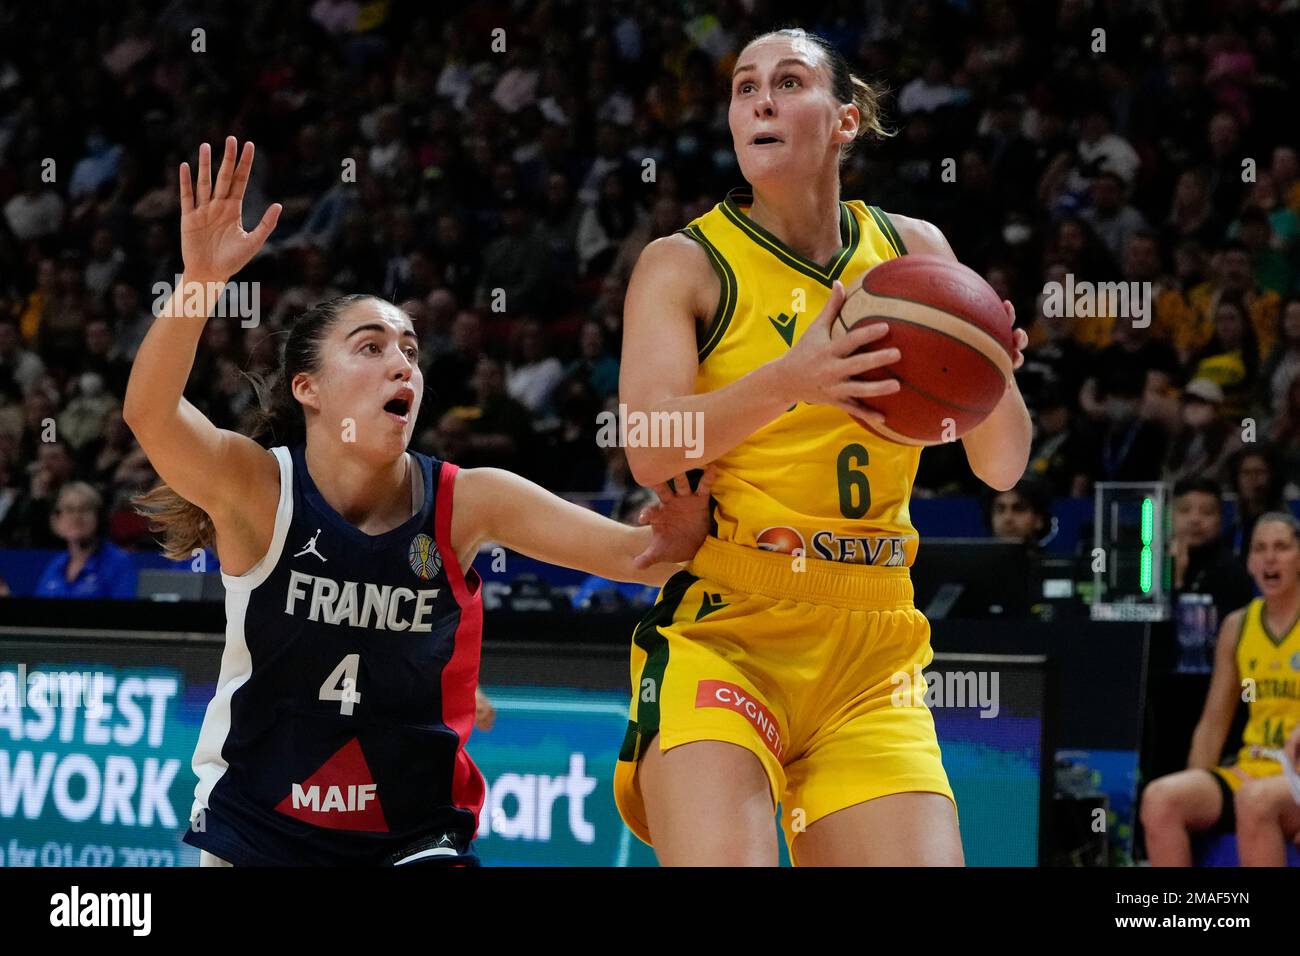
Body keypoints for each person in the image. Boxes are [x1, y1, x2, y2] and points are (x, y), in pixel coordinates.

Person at [124, 138, 714, 867]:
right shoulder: (260, 490)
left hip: (414, 834)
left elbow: (638, 557)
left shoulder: (469, 502)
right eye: (370, 347)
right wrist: (200, 281)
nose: (401, 361)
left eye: (409, 348)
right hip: (260, 825)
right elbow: (150, 414)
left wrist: (699, 529)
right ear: (308, 388)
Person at [614, 29, 1031, 867]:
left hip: (875, 643)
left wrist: (990, 372)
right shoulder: (685, 263)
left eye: (788, 81)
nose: (760, 99)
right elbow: (649, 446)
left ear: (846, 120)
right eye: (743, 87)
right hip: (733, 623)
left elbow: (1002, 464)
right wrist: (793, 377)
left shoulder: (917, 253)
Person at [1140, 513, 1300, 865]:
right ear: (1250, 562)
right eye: (1259, 549)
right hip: (1253, 767)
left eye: (1281, 548)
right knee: (1160, 798)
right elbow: (1214, 723)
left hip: (1295, 777)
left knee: (1255, 801)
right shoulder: (1238, 626)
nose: (1269, 558)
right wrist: (1198, 780)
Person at [33, 481, 137, 600]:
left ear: (98, 517)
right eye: (69, 509)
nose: (76, 517)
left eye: (85, 509)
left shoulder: (118, 563)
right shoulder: (55, 566)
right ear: (56, 521)